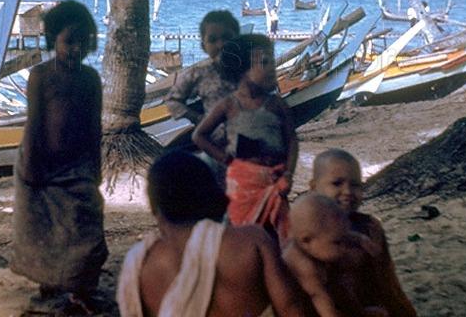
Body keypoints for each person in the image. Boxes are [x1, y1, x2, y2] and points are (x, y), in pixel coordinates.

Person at [117, 150, 313, 317]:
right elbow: (290, 308)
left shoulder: (140, 265)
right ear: (211, 195)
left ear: (155, 206)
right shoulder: (251, 241)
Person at [10, 0, 108, 314]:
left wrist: (96, 166)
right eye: (69, 41)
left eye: (83, 41)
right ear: (53, 40)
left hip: (78, 166)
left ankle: (82, 289)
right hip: (42, 164)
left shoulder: (90, 79)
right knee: (45, 231)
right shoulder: (40, 76)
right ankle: (50, 285)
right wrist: (32, 167)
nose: (76, 48)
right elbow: (35, 122)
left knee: (87, 226)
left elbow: (94, 126)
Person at [192, 34, 297, 239]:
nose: (272, 69)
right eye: (265, 63)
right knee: (241, 232)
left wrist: (289, 174)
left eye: (272, 62)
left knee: (279, 234)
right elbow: (199, 136)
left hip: (274, 182)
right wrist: (225, 159)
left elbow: (291, 140)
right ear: (242, 69)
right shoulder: (229, 105)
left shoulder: (277, 105)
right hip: (242, 184)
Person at [310, 149, 417, 316]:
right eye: (337, 183)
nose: (348, 192)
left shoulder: (370, 228)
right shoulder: (308, 235)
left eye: (355, 185)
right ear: (314, 188)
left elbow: (389, 285)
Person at [283, 194, 391, 317]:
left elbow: (346, 234)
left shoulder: (320, 240)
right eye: (338, 243)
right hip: (304, 300)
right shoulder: (305, 266)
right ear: (306, 240)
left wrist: (363, 241)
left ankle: (359, 312)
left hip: (322, 283)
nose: (344, 248)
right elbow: (319, 298)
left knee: (342, 284)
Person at [164, 9, 240, 126]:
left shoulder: (252, 71)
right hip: (216, 137)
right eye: (213, 40)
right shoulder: (199, 74)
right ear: (203, 46)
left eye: (227, 38)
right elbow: (172, 101)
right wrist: (197, 118)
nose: (220, 45)